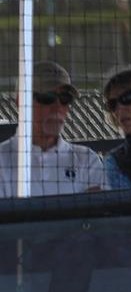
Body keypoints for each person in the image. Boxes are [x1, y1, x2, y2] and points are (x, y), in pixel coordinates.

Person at [0, 62, 108, 196]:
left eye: (65, 98)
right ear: (21, 101)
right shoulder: (2, 161)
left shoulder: (87, 160)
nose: (57, 107)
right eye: (47, 98)